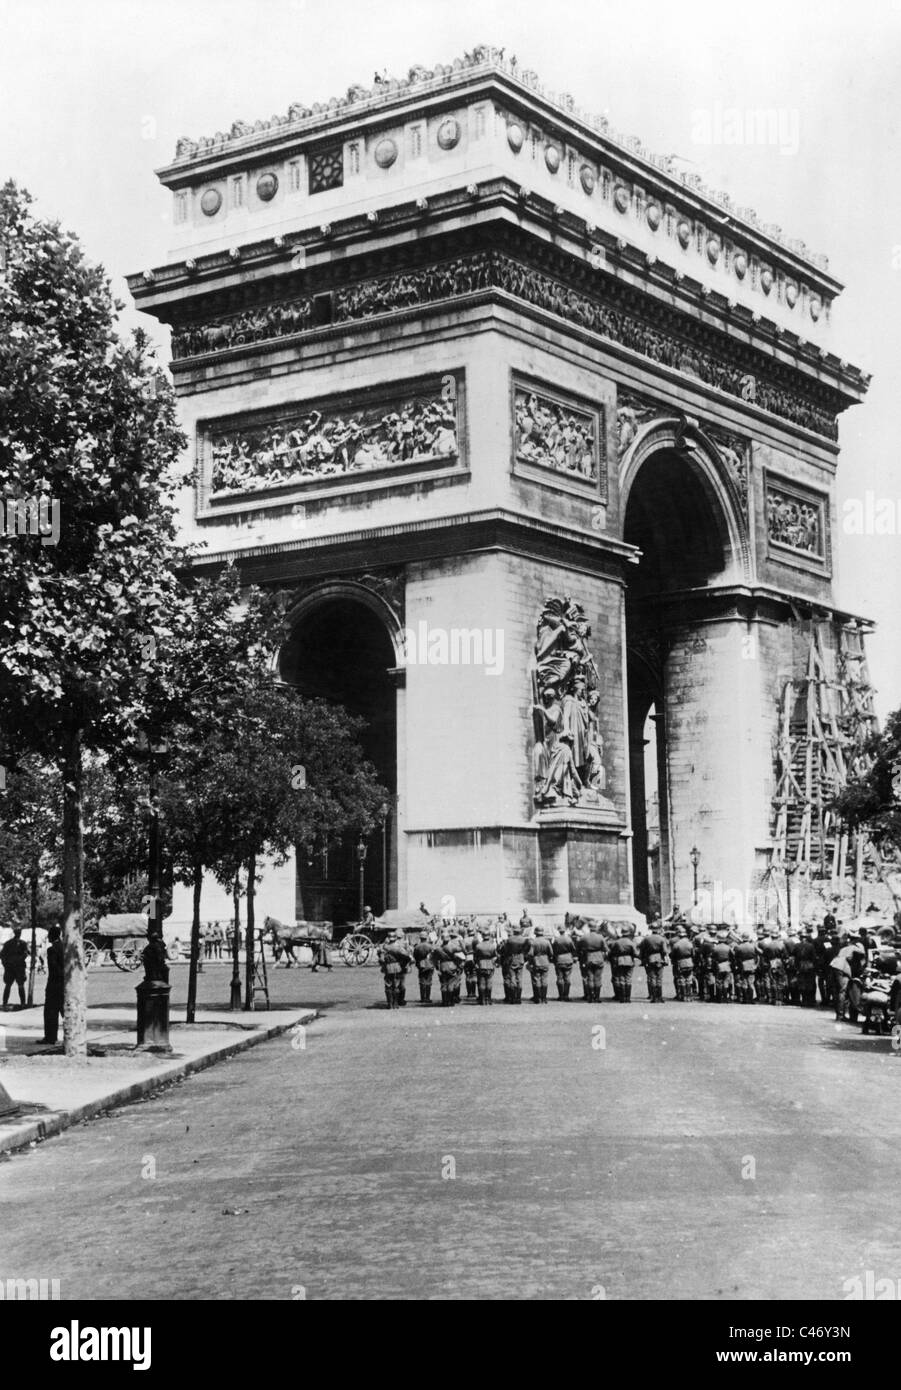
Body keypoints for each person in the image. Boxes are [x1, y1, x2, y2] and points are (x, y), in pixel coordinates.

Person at [42, 926, 64, 1044]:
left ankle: (50, 1037)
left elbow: (53, 968)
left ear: (51, 935)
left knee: (50, 1012)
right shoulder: (65, 947)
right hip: (64, 984)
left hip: (54, 985)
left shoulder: (52, 950)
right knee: (65, 1011)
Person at [378, 930, 411, 1010]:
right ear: (395, 938)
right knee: (396, 986)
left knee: (388, 986)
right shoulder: (398, 947)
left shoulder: (384, 947)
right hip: (397, 967)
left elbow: (380, 957)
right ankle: (395, 1003)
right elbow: (407, 957)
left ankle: (389, 1004)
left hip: (387, 967)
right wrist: (403, 964)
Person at [499, 919, 528, 1004]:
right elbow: (527, 949)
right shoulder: (524, 940)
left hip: (511, 959)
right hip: (520, 959)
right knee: (519, 978)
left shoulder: (509, 940)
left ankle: (512, 997)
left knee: (512, 978)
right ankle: (518, 998)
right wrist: (523, 956)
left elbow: (504, 950)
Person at [639, 921, 667, 1003]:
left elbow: (642, 950)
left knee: (652, 978)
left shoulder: (646, 939)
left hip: (650, 959)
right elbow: (665, 951)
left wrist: (643, 958)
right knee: (659, 978)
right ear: (658, 930)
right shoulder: (662, 939)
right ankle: (660, 997)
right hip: (659, 959)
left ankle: (654, 997)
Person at [608, 924, 637, 1003]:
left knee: (621, 979)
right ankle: (628, 998)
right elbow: (635, 953)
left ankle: (622, 998)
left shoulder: (616, 942)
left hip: (619, 960)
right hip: (629, 961)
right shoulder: (631, 943)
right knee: (628, 979)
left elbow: (611, 952)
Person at [1, 926, 28, 1010]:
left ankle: (22, 1003)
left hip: (17, 968)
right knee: (9, 985)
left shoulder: (22, 943)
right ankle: (5, 1003)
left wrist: (20, 959)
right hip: (12, 968)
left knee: (19, 985)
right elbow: (2, 955)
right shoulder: (9, 943)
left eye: (19, 932)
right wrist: (5, 964)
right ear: (15, 933)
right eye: (17, 932)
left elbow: (26, 953)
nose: (18, 934)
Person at [527, 924, 553, 1004]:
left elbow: (530, 954)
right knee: (544, 980)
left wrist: (530, 963)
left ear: (535, 933)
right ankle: (544, 998)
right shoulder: (547, 942)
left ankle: (537, 998)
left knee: (536, 980)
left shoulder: (533, 942)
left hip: (536, 962)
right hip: (545, 962)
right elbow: (551, 953)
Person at [732, 931, 759, 1004]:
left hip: (743, 965)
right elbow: (758, 954)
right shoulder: (753, 946)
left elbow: (735, 957)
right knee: (751, 983)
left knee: (744, 983)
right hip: (752, 965)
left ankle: (745, 999)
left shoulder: (738, 947)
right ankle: (751, 999)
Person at [669, 924, 695, 1001]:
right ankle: (689, 996)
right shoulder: (690, 943)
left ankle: (683, 996)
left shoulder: (676, 944)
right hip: (689, 962)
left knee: (681, 979)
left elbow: (672, 955)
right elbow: (693, 954)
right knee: (689, 980)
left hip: (680, 963)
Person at [794, 926, 818, 1008]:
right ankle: (810, 1000)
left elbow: (795, 956)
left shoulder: (797, 946)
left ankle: (804, 1000)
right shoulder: (810, 946)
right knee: (810, 983)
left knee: (802, 983)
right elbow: (814, 957)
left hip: (800, 965)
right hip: (809, 965)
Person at [709, 929, 734, 1003]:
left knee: (719, 983)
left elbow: (712, 958)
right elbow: (732, 957)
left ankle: (719, 999)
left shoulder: (715, 948)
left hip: (719, 966)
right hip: (727, 966)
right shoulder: (728, 947)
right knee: (726, 983)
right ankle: (725, 998)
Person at [552, 924, 575, 1001]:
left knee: (559, 978)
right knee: (567, 978)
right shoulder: (569, 939)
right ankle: (566, 996)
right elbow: (573, 949)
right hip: (568, 959)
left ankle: (561, 996)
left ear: (559, 931)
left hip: (559, 960)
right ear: (564, 930)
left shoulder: (556, 940)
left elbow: (553, 951)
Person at [473, 931, 497, 1005]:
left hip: (481, 964)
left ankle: (482, 1000)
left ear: (483, 936)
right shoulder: (492, 946)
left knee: (481, 983)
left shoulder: (478, 946)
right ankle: (488, 999)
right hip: (489, 964)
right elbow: (494, 955)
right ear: (489, 936)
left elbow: (475, 956)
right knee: (489, 982)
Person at [413, 930, 434, 1003]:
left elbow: (415, 956)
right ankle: (427, 997)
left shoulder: (417, 946)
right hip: (429, 963)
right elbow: (433, 955)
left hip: (421, 963)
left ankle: (423, 997)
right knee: (428, 981)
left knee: (422, 981)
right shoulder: (430, 946)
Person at [461, 928, 477, 1000]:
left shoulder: (465, 940)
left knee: (467, 975)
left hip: (467, 957)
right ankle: (473, 992)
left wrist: (466, 953)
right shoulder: (475, 939)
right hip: (473, 957)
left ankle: (469, 993)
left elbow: (463, 949)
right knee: (473, 975)